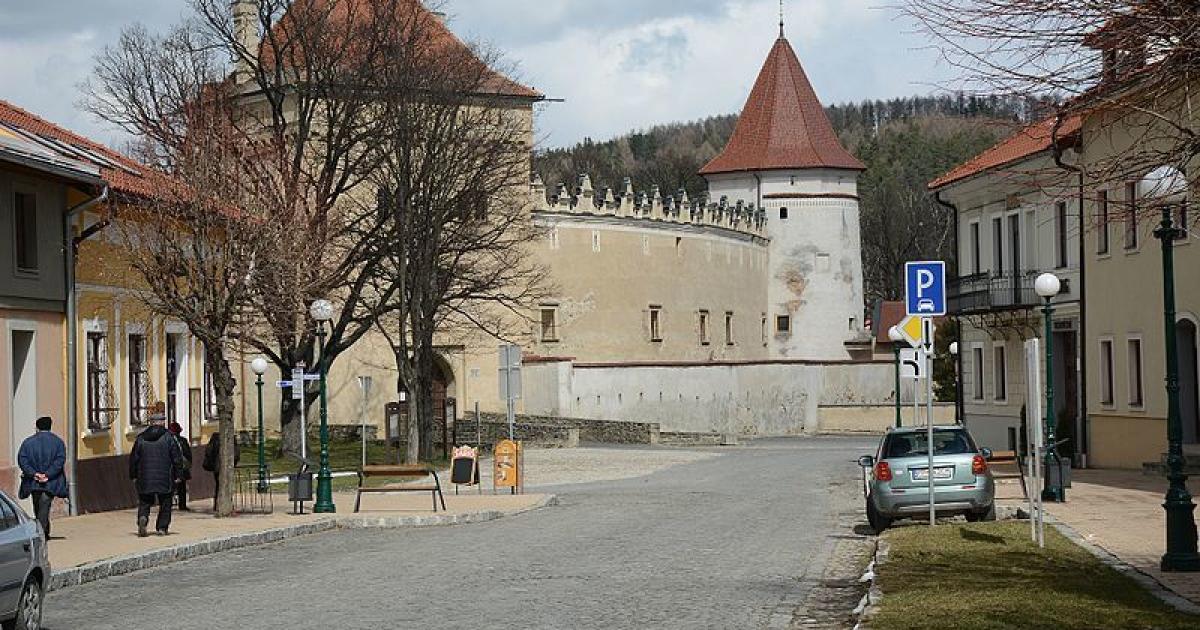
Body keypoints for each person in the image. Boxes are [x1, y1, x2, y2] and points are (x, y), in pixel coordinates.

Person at [130, 402, 183, 537]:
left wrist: (133, 475)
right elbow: (177, 457)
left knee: (144, 501)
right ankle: (162, 527)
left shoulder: (141, 438)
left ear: (151, 423)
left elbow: (134, 458)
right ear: (162, 422)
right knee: (165, 503)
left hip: (145, 477)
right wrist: (178, 474)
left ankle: (143, 517)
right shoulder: (169, 438)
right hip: (165, 477)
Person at [17, 416, 68, 539]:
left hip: (33, 482)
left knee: (38, 506)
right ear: (50, 427)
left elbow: (23, 460)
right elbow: (60, 461)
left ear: (37, 428)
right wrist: (47, 475)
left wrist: (34, 474)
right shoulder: (58, 442)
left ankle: (43, 532)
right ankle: (42, 534)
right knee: (44, 506)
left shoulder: (27, 443)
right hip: (51, 482)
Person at [202, 431, 239, 511]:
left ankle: (217, 505)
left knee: (218, 486)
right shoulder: (231, 438)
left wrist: (213, 464)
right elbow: (236, 454)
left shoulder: (214, 439)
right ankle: (226, 504)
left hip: (217, 468)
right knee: (227, 485)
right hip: (227, 466)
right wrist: (233, 463)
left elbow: (208, 453)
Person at [169, 422, 193, 511]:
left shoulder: (168, 441)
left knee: (171, 486)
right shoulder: (183, 440)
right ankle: (182, 505)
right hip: (181, 466)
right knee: (181, 486)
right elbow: (188, 454)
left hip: (172, 466)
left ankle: (169, 504)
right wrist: (188, 463)